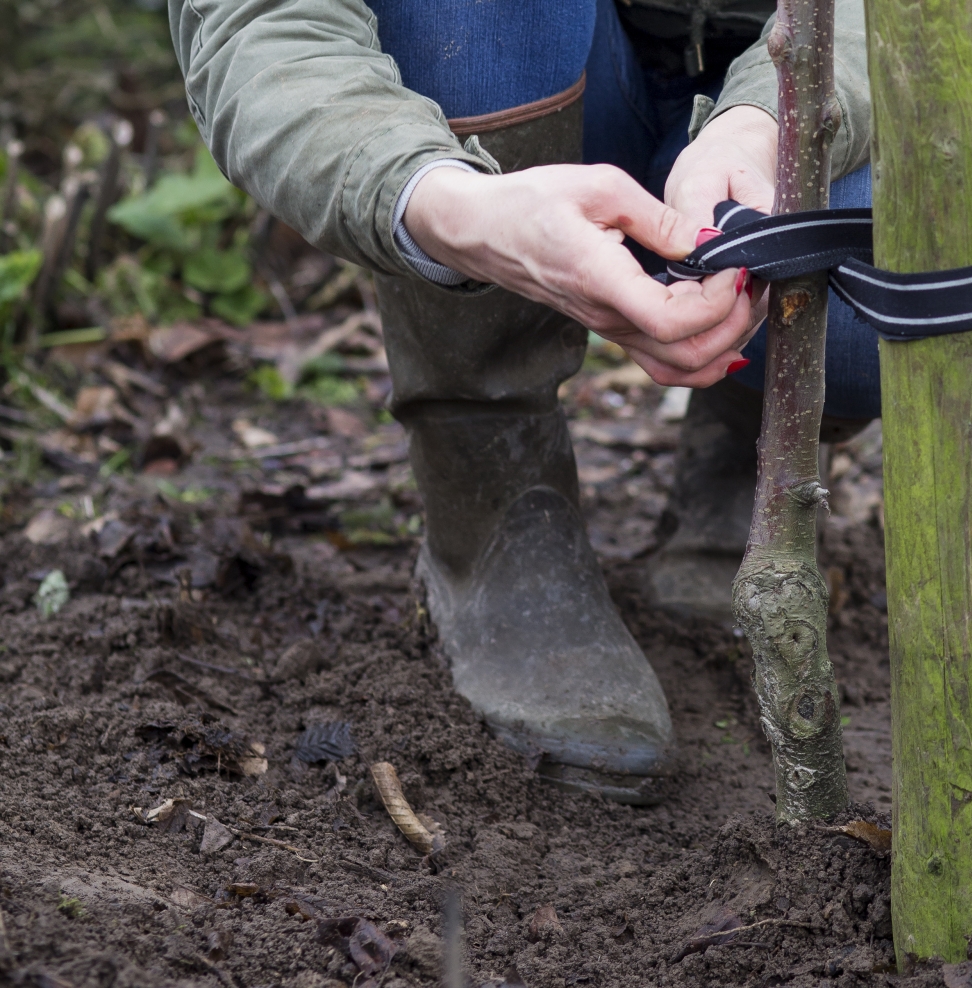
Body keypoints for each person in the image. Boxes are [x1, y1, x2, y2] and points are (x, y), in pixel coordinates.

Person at [168, 0, 879, 804]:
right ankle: (493, 493)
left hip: (769, 92)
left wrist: (769, 119)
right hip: (531, 76)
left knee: (875, 309)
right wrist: (443, 202)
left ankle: (750, 451)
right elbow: (265, 28)